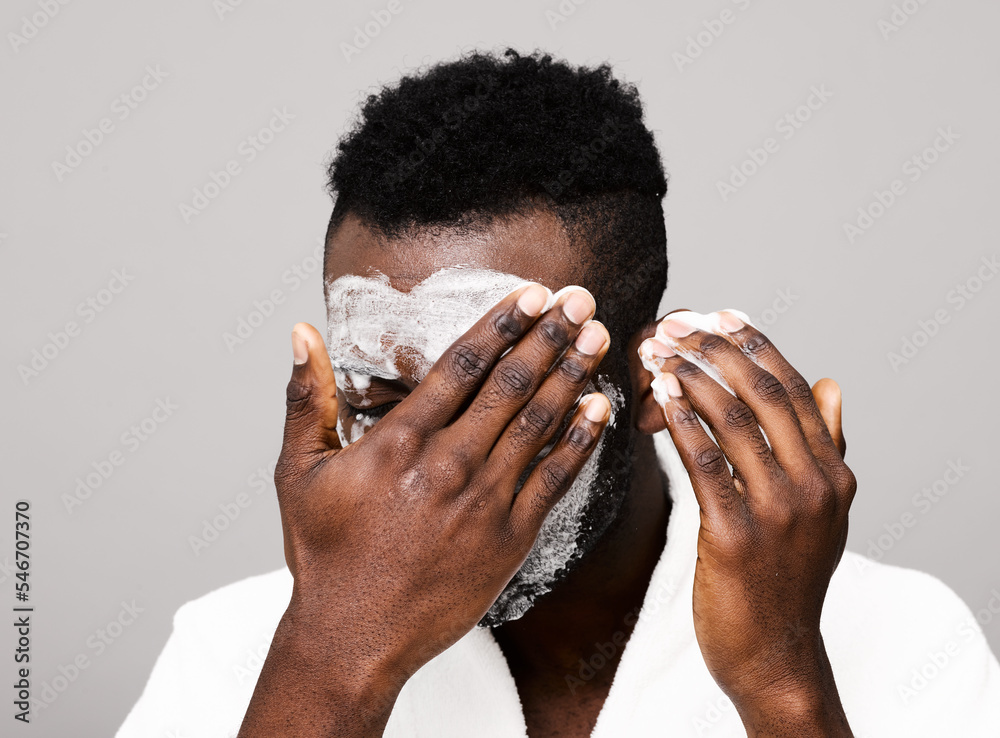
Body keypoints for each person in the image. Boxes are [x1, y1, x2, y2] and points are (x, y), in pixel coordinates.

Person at [118, 50, 1000, 737]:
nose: (438, 469)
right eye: (385, 404)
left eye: (514, 395)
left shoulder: (902, 634)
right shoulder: (234, 648)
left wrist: (782, 686)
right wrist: (333, 656)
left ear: (653, 381)